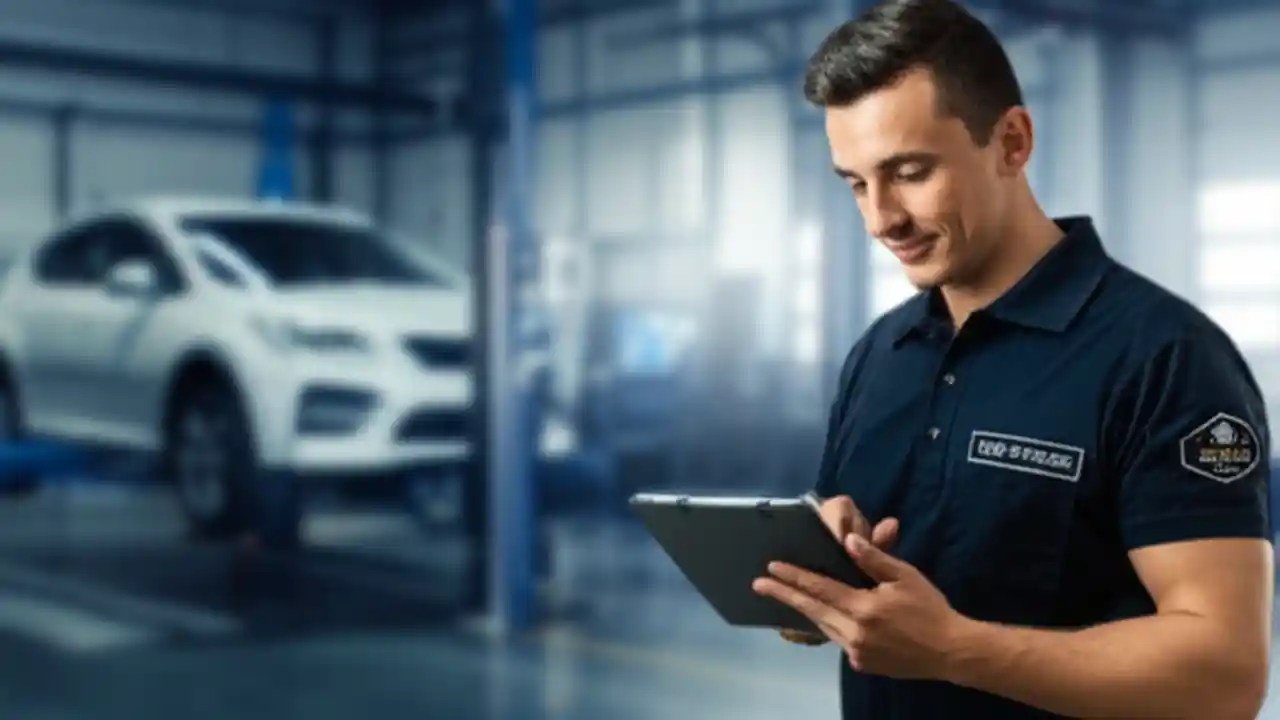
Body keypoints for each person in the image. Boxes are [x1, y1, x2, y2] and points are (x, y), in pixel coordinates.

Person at [750, 1, 1275, 718]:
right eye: (855, 182)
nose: (880, 219)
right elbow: (867, 613)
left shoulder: (1165, 359)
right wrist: (821, 587)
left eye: (909, 172)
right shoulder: (879, 353)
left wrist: (953, 648)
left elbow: (1225, 676)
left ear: (1012, 142)